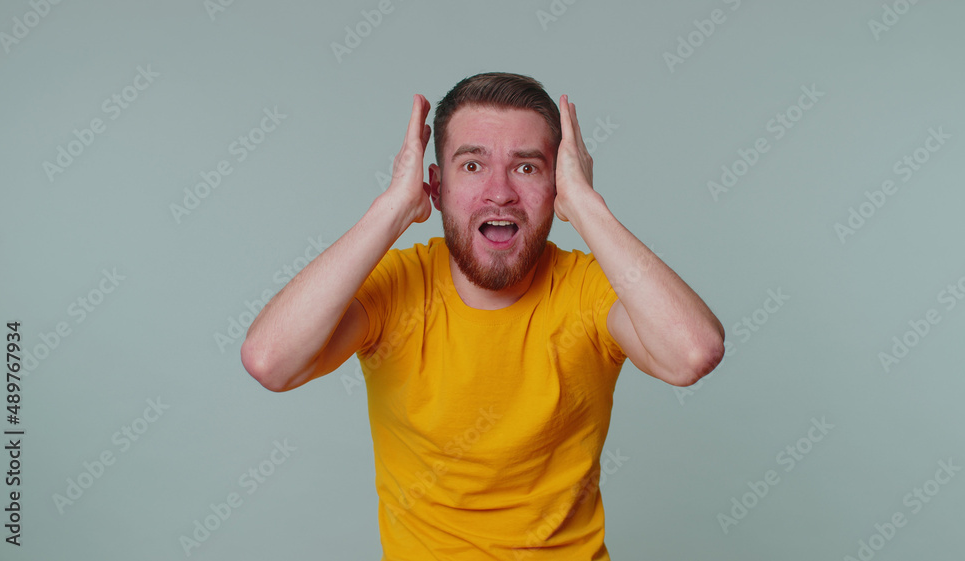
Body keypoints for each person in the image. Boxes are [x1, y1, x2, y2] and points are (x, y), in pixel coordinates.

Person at [240, 72, 725, 560]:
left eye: (527, 168)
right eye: (472, 165)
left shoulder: (588, 289)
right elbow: (270, 361)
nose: (500, 192)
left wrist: (585, 205)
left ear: (555, 186)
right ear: (437, 188)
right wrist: (392, 209)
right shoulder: (396, 285)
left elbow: (692, 354)